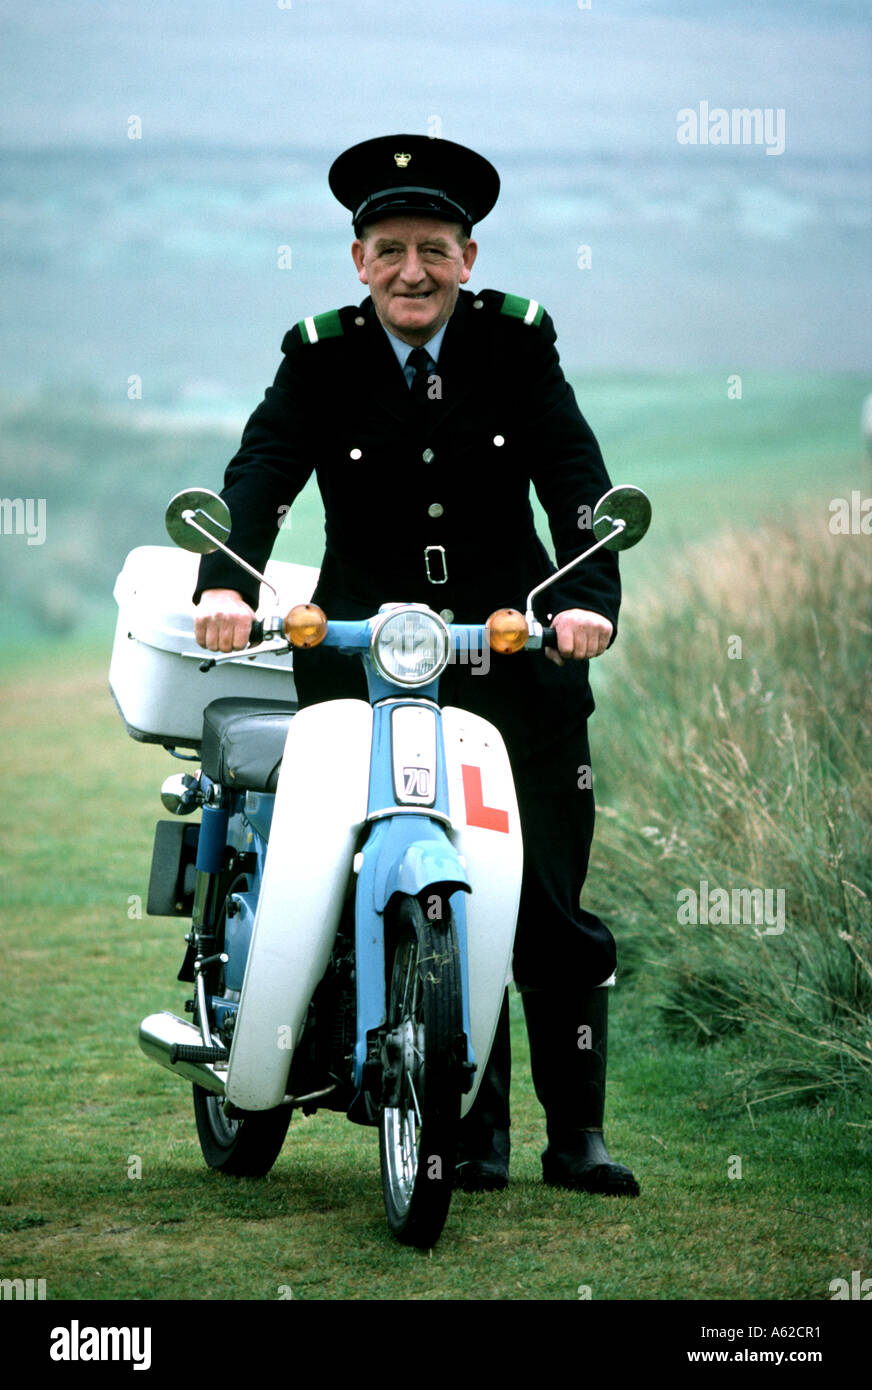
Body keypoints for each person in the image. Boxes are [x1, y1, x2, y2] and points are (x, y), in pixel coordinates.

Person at [193, 134, 639, 1197]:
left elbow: (574, 475)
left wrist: (582, 599)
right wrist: (225, 581)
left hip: (512, 658)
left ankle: (574, 1136)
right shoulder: (319, 356)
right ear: (358, 261)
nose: (411, 271)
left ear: (467, 255)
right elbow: (260, 474)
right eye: (388, 249)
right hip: (361, 666)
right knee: (411, 880)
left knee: (544, 906)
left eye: (432, 248)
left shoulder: (516, 346)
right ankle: (463, 1132)